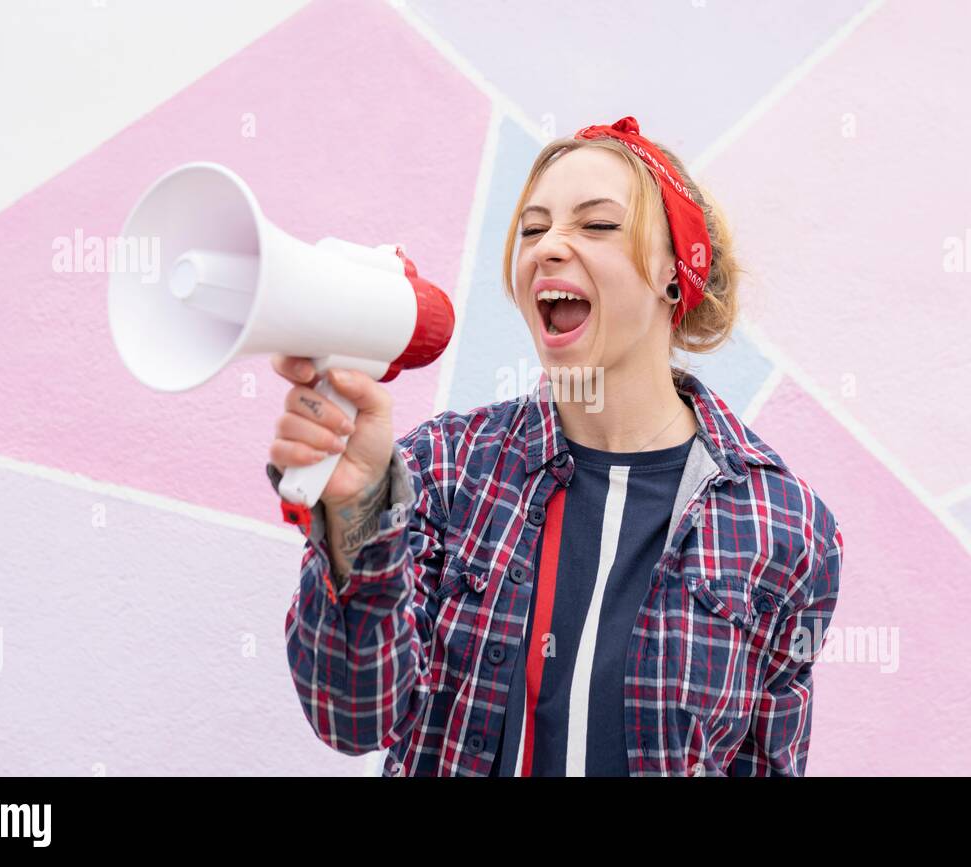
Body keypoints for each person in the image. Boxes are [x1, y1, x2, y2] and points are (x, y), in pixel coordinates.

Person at [265, 116, 843, 776]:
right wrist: (355, 518)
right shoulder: (443, 470)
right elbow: (350, 717)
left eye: (596, 225)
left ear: (676, 277)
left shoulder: (785, 525)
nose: (547, 248)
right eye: (533, 229)